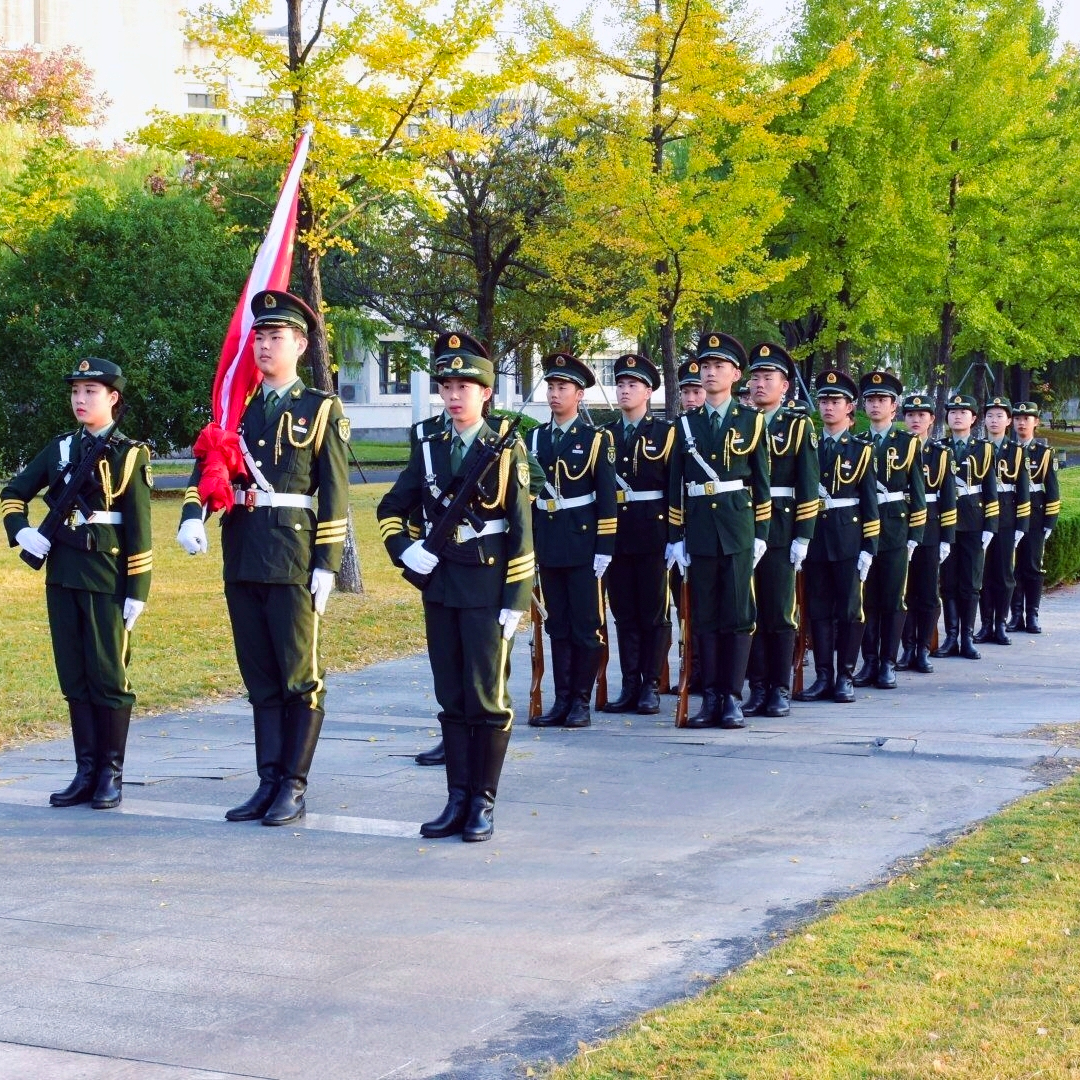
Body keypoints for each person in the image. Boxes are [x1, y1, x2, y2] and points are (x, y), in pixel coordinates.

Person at [177, 290, 349, 825]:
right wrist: (191, 513)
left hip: (294, 556)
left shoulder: (319, 408)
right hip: (244, 550)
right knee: (260, 679)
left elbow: (336, 493)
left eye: (276, 336)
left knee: (298, 677)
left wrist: (327, 563)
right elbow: (210, 465)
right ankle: (267, 780)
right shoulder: (238, 407)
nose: (264, 345)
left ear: (300, 344)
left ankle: (293, 786)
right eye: (258, 336)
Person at [377, 332, 534, 841]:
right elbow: (391, 510)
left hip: (488, 586)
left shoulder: (506, 445)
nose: (454, 395)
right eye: (446, 385)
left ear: (485, 392)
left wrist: (516, 599)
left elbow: (521, 526)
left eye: (465, 385)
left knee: (486, 697)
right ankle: (456, 799)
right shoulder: (426, 442)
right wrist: (405, 550)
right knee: (451, 697)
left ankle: (483, 803)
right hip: (441, 585)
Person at [2, 358, 152, 809]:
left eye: (91, 391)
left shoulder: (130, 454)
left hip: (108, 581)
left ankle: (111, 773)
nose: (81, 399)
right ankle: (85, 771)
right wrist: (19, 531)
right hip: (63, 577)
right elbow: (13, 492)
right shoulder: (60, 449)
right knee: (75, 676)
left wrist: (137, 590)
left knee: (108, 677)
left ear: (113, 398)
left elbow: (139, 529)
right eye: (75, 392)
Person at [666, 332, 770, 729]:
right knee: (704, 616)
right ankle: (709, 697)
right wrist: (676, 536)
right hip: (701, 531)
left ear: (735, 374)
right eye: (706, 367)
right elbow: (675, 483)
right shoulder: (687, 424)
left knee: (739, 613)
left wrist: (761, 531)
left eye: (719, 367)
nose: (711, 373)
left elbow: (761, 482)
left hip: (738, 527)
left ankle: (732, 697)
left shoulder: (751, 421)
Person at [527, 353, 617, 730]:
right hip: (548, 542)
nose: (554, 394)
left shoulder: (596, 439)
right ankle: (560, 699)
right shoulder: (533, 437)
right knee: (556, 624)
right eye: (550, 387)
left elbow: (607, 497)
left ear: (579, 395)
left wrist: (604, 547)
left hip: (583, 545)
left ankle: (580, 700)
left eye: (562, 387)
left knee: (585, 624)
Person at [793, 369, 880, 705]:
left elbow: (870, 501)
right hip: (815, 539)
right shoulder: (809, 445)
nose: (828, 407)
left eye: (835, 401)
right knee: (818, 610)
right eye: (824, 400)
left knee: (849, 609)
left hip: (847, 538)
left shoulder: (861, 450)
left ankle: (845, 675)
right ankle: (823, 676)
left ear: (849, 407)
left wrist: (868, 547)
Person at [743, 343, 819, 718]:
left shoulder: (797, 425)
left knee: (779, 611)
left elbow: (808, 482)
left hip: (781, 527)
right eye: (755, 377)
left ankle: (779, 687)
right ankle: (756, 687)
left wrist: (803, 534)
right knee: (749, 610)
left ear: (785, 386)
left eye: (767, 378)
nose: (759, 384)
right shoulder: (740, 422)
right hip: (743, 527)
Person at [600, 354, 675, 714]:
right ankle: (629, 684)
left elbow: (674, 486)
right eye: (620, 384)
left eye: (632, 385)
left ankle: (651, 684)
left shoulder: (665, 433)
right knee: (623, 612)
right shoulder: (606, 436)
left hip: (653, 531)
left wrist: (676, 535)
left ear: (648, 391)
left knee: (653, 613)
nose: (624, 391)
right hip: (617, 534)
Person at [851, 371, 926, 690]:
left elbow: (918, 493)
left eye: (882, 400)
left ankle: (888, 663)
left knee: (893, 598)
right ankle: (868, 661)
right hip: (861, 529)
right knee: (866, 599)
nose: (876, 405)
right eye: (870, 400)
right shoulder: (855, 443)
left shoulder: (907, 443)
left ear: (894, 406)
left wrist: (915, 535)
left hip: (895, 527)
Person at [932, 393, 998, 661]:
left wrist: (990, 526)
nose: (957, 415)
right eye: (953, 411)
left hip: (973, 522)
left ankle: (967, 637)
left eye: (963, 412)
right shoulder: (939, 447)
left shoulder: (983, 449)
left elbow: (990, 490)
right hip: (945, 523)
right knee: (948, 582)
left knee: (970, 583)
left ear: (973, 418)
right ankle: (950, 635)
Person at [896, 394, 957, 673]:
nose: (916, 420)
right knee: (903, 591)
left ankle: (923, 647)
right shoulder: (894, 449)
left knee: (927, 592)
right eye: (910, 415)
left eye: (922, 415)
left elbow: (948, 498)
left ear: (932, 419)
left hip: (930, 529)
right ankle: (907, 647)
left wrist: (947, 537)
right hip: (898, 526)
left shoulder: (940, 454)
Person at [974, 397, 1029, 646]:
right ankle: (985, 623)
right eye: (990, 416)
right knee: (983, 573)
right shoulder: (978, 448)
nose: (994, 420)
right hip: (981, 517)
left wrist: (1022, 525)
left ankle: (1001, 623)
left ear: (1008, 421)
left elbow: (1024, 491)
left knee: (1005, 573)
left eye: (999, 416)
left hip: (1007, 518)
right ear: (983, 420)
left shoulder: (1016, 451)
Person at [1008, 401, 1060, 633]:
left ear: (1035, 422)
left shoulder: (1044, 453)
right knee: (1012, 566)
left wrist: (1050, 521)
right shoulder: (1006, 451)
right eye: (1017, 418)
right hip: (1010, 515)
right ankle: (1015, 614)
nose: (1021, 423)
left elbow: (1052, 490)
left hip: (1036, 517)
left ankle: (1032, 615)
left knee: (1032, 566)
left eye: (1026, 419)